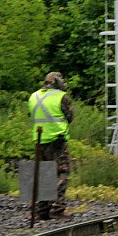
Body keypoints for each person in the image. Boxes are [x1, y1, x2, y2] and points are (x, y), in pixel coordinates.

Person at [29, 71, 74, 219]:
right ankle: (57, 208)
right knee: (61, 173)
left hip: (39, 140)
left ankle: (41, 210)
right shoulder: (61, 97)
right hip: (57, 140)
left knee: (43, 173)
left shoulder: (33, 96)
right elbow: (70, 117)